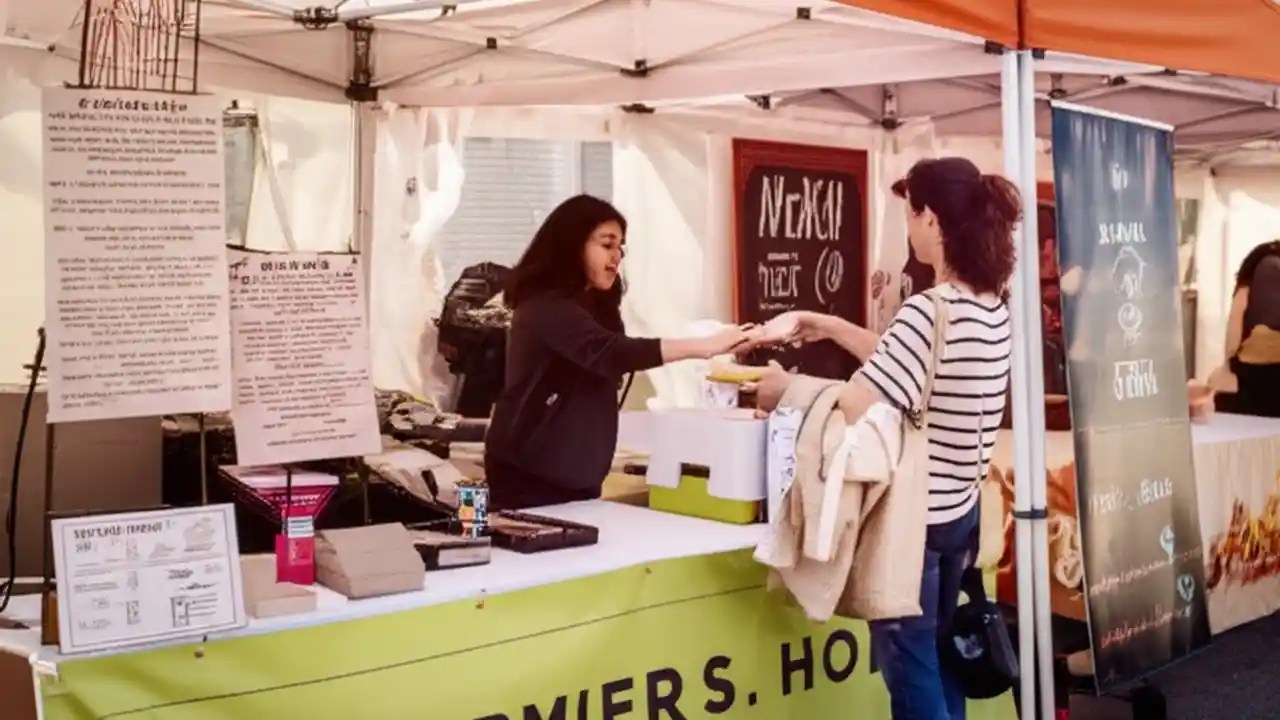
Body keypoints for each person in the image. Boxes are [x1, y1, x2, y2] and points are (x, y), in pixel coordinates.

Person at [753, 157, 1019, 720]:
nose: (909, 227)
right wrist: (826, 324)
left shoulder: (930, 310)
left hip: (915, 520)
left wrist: (786, 387)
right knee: (940, 655)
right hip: (961, 514)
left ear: (931, 218)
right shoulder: (993, 306)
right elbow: (908, 364)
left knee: (911, 664)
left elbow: (857, 400)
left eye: (911, 213)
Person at [483, 194, 754, 510]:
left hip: (576, 475)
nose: (616, 257)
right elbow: (611, 352)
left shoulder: (595, 306)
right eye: (606, 245)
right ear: (572, 245)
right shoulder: (545, 308)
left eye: (620, 247)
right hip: (530, 476)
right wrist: (705, 346)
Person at [1211, 240, 1280, 417]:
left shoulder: (1260, 260)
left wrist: (1229, 365)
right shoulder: (1266, 262)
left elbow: (1237, 314)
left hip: (1250, 376)